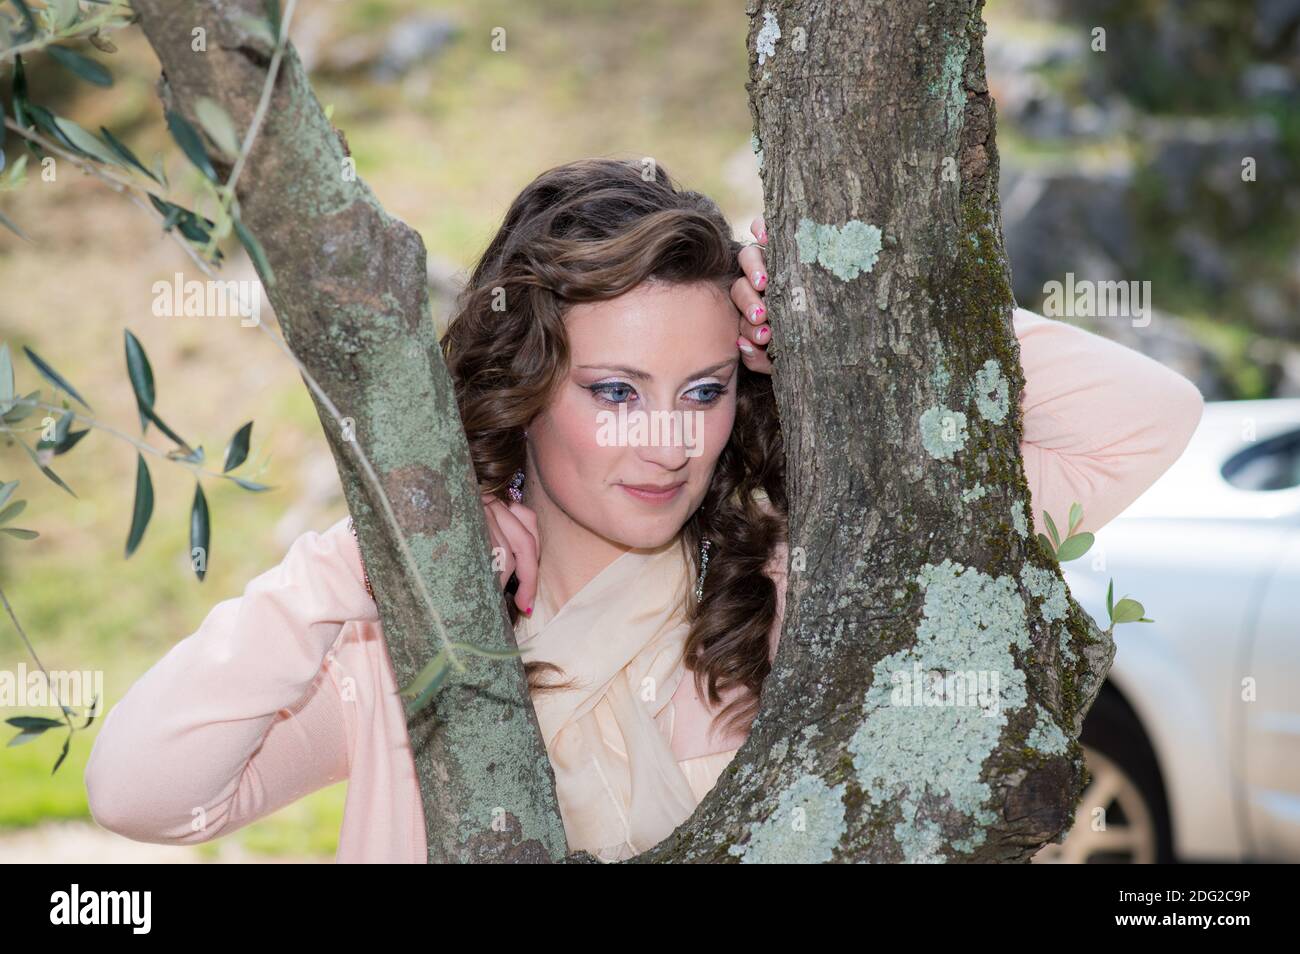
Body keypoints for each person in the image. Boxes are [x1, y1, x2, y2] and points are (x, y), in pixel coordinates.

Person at [84, 158, 1205, 863]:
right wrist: (365, 559)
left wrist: (841, 308)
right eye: (616, 391)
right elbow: (141, 794)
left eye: (703, 390)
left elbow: (1143, 419)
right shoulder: (405, 641)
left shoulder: (808, 592)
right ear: (523, 385)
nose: (670, 442)